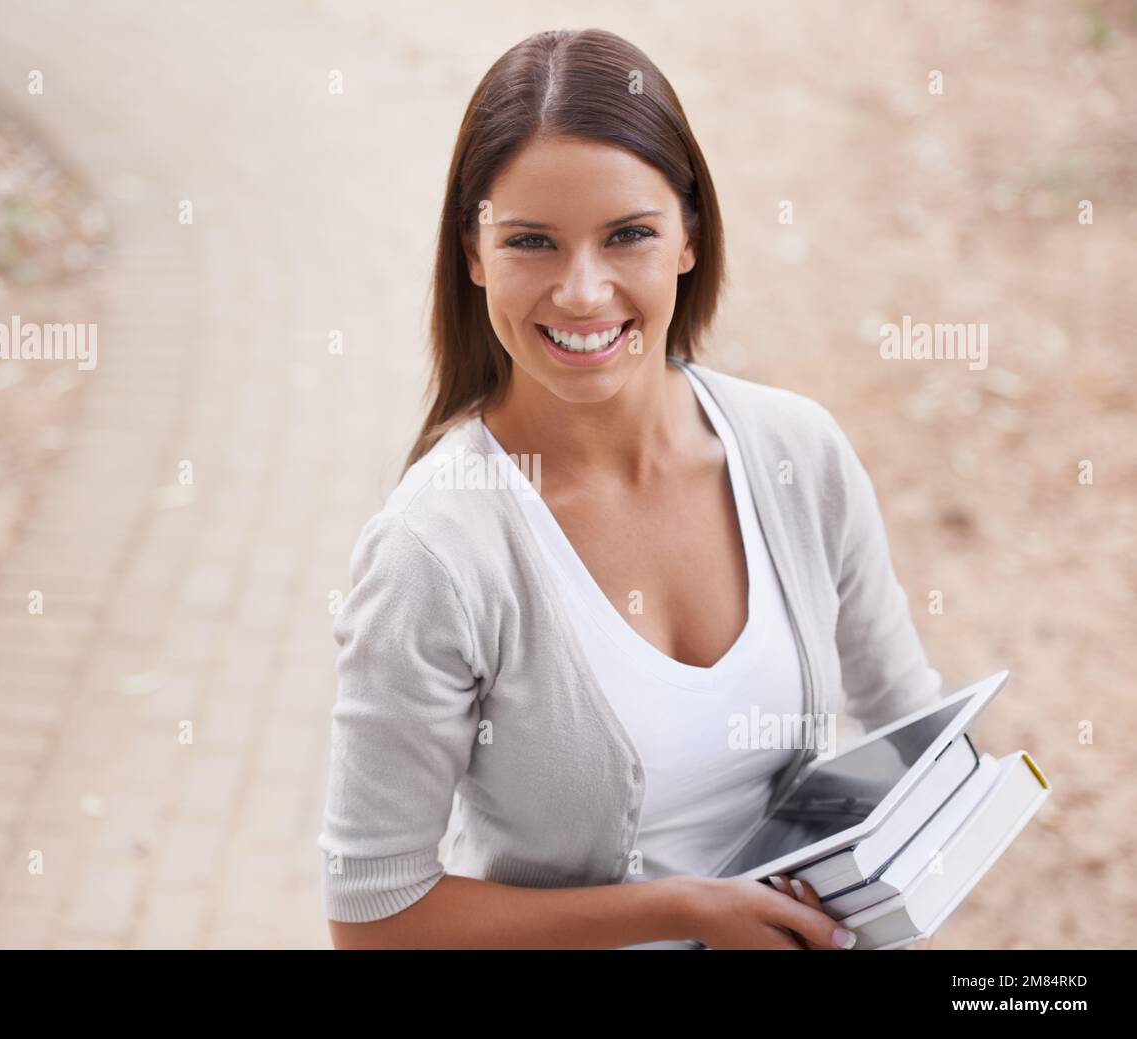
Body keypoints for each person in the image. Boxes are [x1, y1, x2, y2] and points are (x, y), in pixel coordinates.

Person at [317, 27, 944, 949]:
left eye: (629, 236)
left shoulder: (795, 452)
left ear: (689, 237)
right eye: (532, 240)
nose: (581, 291)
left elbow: (911, 728)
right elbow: (372, 916)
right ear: (474, 253)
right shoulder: (435, 551)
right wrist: (684, 909)